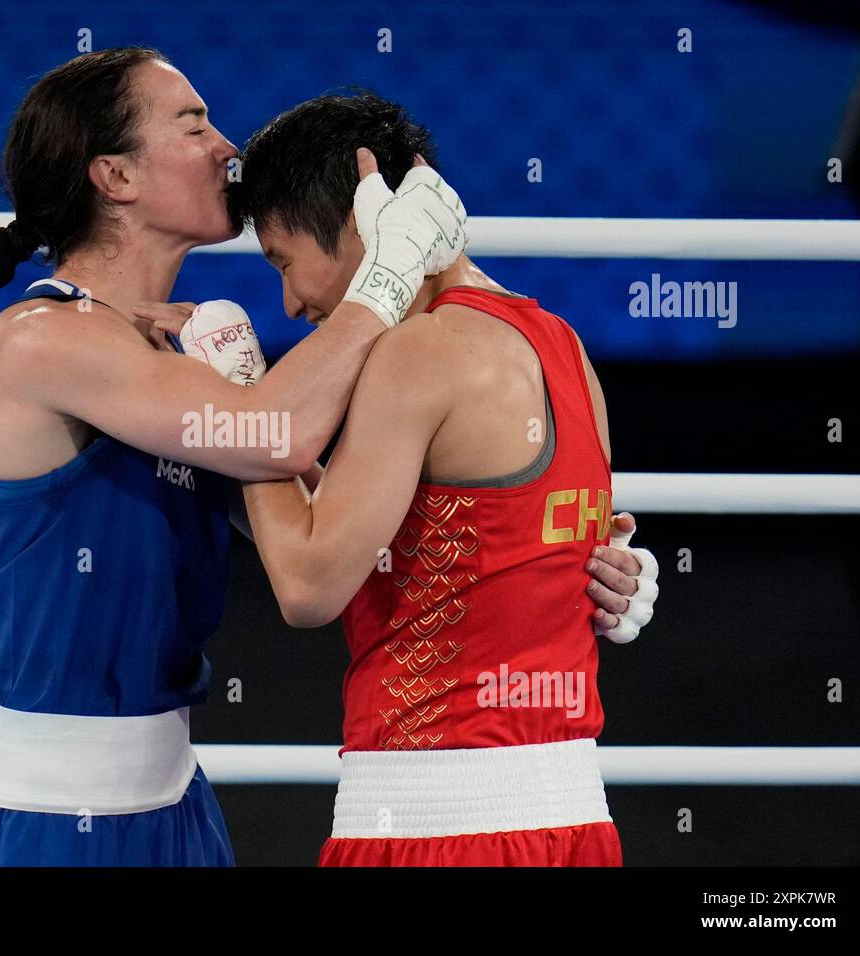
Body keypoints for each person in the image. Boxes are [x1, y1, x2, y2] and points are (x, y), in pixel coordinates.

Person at [0, 49, 648, 867]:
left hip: (179, 808)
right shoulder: (41, 341)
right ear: (116, 176)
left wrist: (561, 560)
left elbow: (323, 526)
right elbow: (274, 446)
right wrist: (383, 277)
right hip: (46, 815)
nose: (225, 147)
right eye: (194, 123)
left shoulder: (182, 364)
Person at [214, 90, 661, 866]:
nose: (288, 303)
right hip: (574, 820)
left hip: (430, 824)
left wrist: (246, 406)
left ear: (361, 219)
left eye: (284, 262)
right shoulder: (563, 345)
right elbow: (474, 549)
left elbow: (310, 583)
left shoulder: (416, 352)